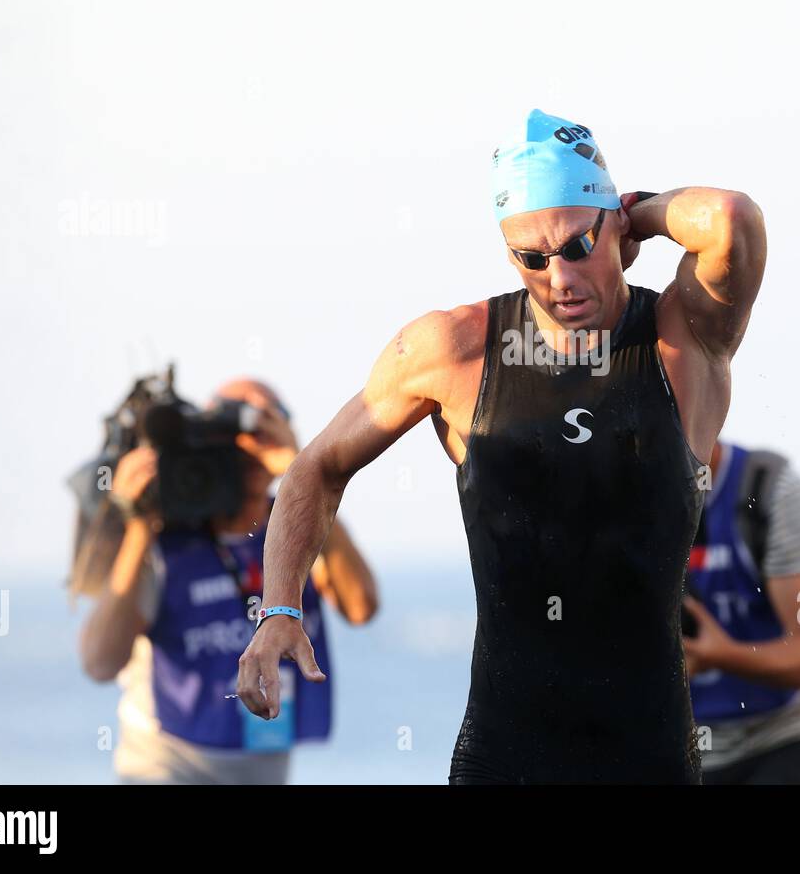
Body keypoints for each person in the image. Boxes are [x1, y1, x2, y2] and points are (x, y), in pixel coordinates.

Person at [236, 108, 768, 784]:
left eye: (579, 244)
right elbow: (317, 466)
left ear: (616, 225)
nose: (560, 278)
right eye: (532, 257)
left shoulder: (681, 339)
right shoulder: (451, 351)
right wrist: (281, 606)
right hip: (502, 756)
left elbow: (732, 219)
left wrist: (645, 210)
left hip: (649, 757)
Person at [79, 377, 378, 784]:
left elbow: (360, 606)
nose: (249, 447)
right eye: (234, 431)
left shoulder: (294, 534)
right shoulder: (167, 538)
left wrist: (306, 478)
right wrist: (138, 523)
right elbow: (99, 661)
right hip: (165, 767)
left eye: (264, 426)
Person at [682, 439, 800, 784]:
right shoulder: (609, 498)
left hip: (780, 741)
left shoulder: (773, 491)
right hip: (671, 751)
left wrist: (721, 655)